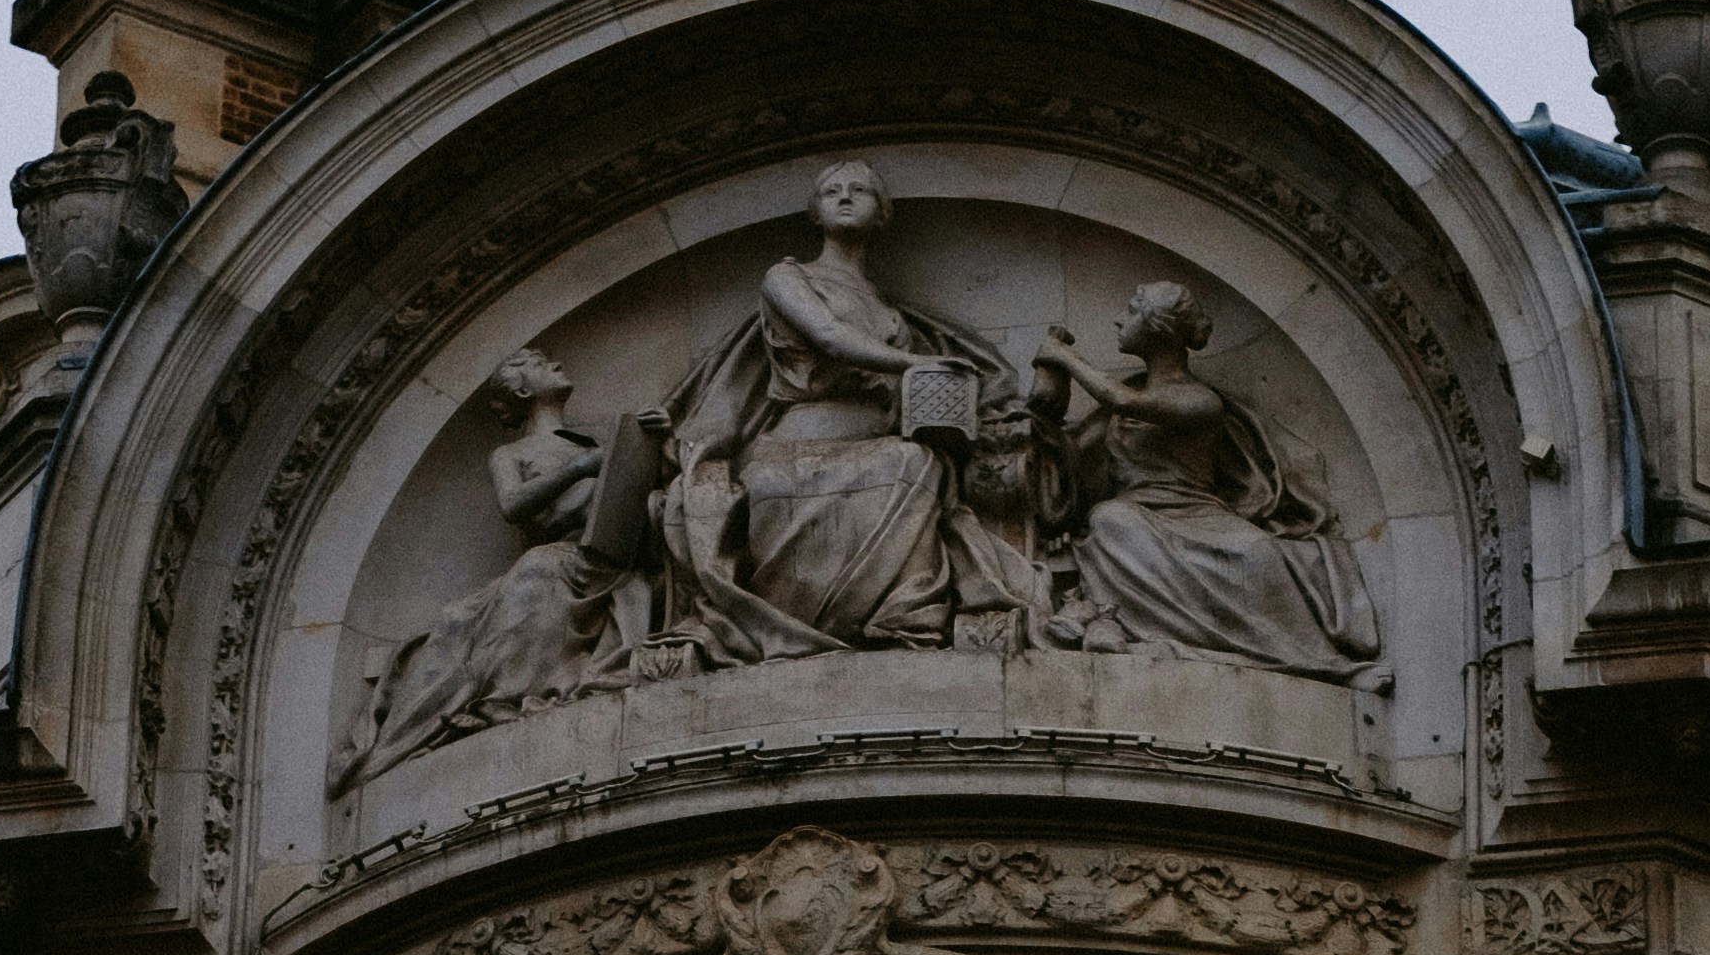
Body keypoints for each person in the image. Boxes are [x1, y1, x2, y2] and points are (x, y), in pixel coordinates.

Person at [658, 167, 1048, 655]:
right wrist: (914, 362)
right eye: (830, 191)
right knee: (907, 464)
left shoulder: (891, 312)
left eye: (860, 190)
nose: (844, 197)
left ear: (882, 212)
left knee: (921, 462)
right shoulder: (786, 277)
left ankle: (902, 616)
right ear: (815, 212)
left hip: (879, 444)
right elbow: (828, 337)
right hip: (799, 449)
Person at [1025, 282, 1380, 674]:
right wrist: (1047, 412)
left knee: (1256, 554)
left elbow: (1125, 400)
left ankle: (1312, 658)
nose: (1118, 320)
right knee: (1109, 520)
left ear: (1157, 328)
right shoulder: (1119, 409)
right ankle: (1126, 620)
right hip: (1137, 511)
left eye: (1131, 311)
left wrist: (1066, 357)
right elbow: (1071, 456)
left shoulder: (1198, 400)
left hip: (1199, 514)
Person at [344, 347, 648, 769]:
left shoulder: (591, 443)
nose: (557, 362)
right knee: (458, 620)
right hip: (556, 560)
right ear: (521, 389)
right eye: (541, 364)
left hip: (603, 558)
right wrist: (580, 469)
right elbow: (512, 504)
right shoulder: (512, 454)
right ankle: (493, 698)